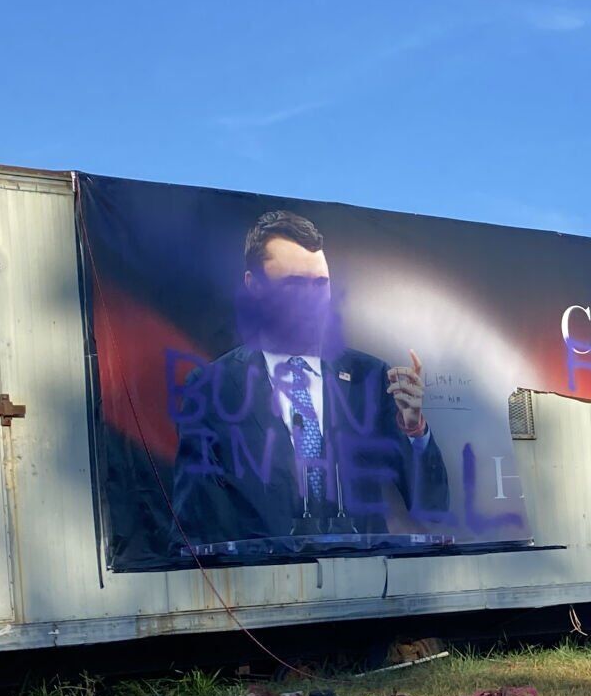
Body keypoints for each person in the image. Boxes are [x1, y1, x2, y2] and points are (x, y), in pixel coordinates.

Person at [170, 210, 450, 547]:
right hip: (265, 589)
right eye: (294, 285)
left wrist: (414, 430)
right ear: (254, 286)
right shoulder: (213, 387)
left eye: (320, 285)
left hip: (363, 583)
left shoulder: (369, 379)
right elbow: (195, 528)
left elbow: (431, 506)